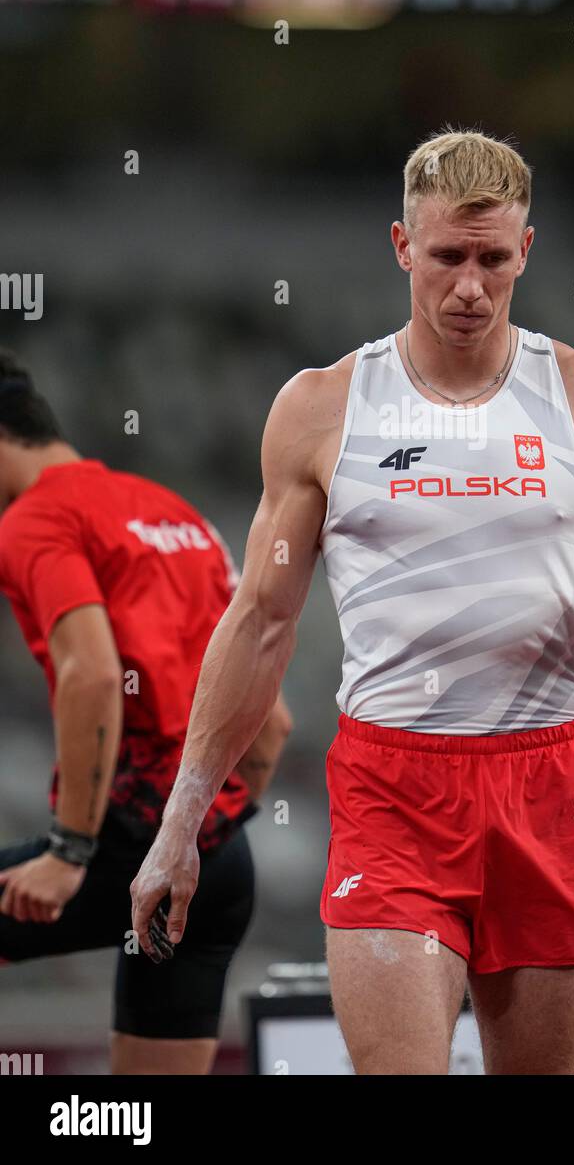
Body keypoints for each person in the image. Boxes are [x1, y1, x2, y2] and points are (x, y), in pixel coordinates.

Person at [131, 128, 574, 1075]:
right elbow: (261, 623)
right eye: (446, 257)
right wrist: (179, 821)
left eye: (492, 259)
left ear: (527, 250)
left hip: (547, 782)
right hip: (394, 791)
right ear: (403, 246)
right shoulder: (323, 409)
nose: (470, 287)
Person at [0, 351, 292, 1075]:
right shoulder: (172, 512)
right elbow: (271, 717)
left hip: (127, 852)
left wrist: (70, 851)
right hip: (220, 861)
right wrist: (210, 830)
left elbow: (92, 674)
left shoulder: (37, 521)